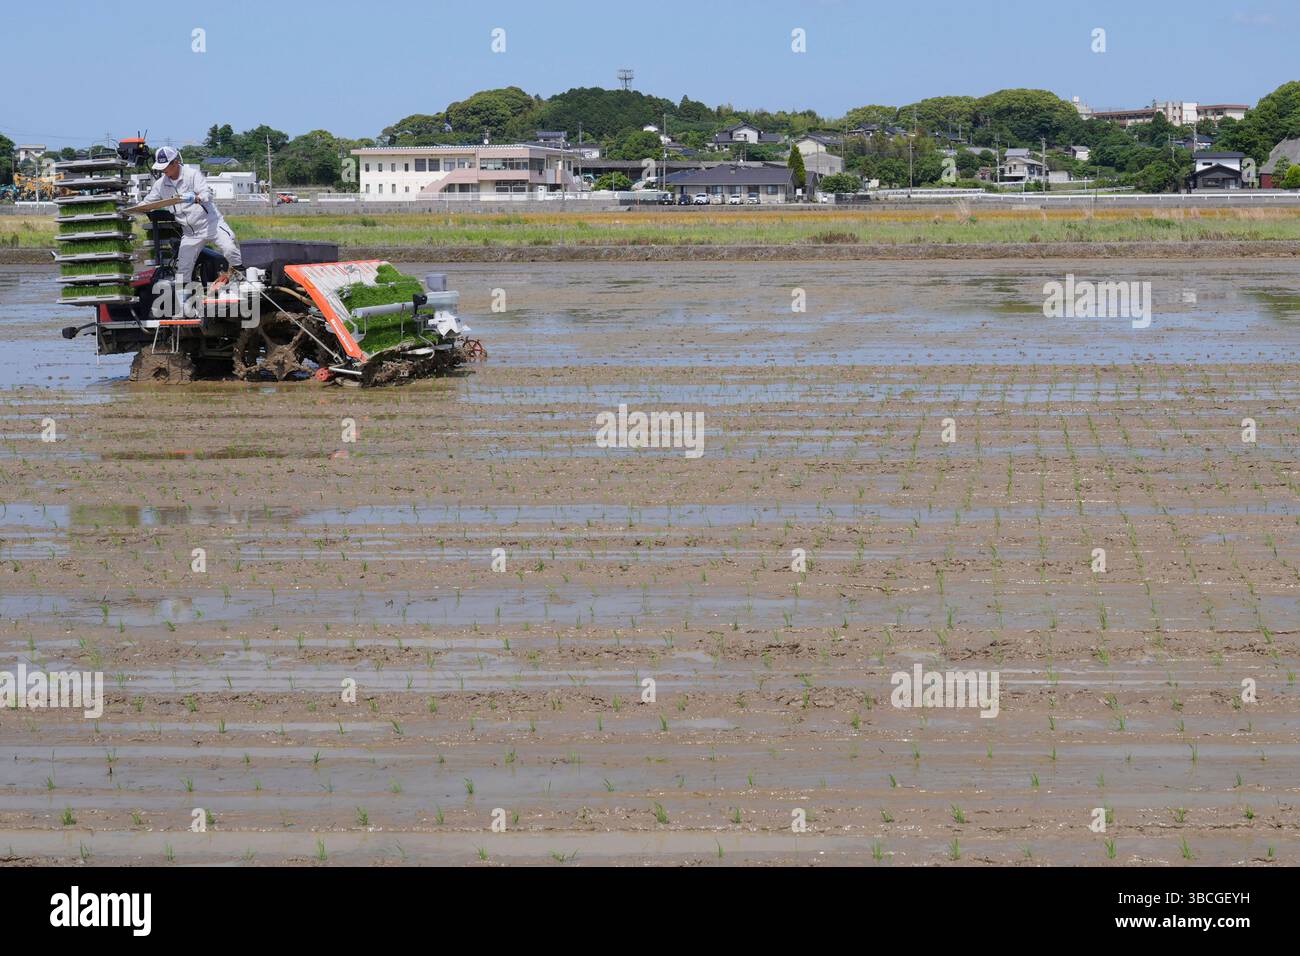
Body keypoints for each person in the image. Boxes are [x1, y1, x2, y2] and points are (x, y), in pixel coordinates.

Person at [143, 146, 243, 297]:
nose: (164, 171)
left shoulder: (192, 175)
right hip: (190, 232)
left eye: (166, 167)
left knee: (229, 248)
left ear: (175, 163)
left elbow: (206, 193)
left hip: (211, 224)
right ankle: (185, 305)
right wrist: (136, 208)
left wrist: (197, 197)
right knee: (183, 268)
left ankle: (240, 278)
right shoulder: (161, 184)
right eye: (161, 168)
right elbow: (148, 202)